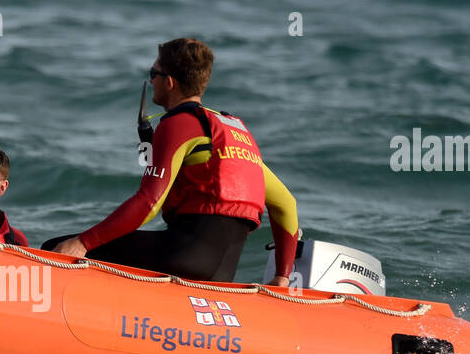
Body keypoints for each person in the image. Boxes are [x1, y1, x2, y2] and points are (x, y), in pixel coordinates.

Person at [47, 38, 300, 284]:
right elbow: (286, 205)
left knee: (55, 249)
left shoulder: (179, 124)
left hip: (185, 258)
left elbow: (149, 203)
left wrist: (83, 243)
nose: (150, 79)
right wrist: (282, 276)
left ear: (169, 82)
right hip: (222, 273)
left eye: (153, 72)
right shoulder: (234, 134)